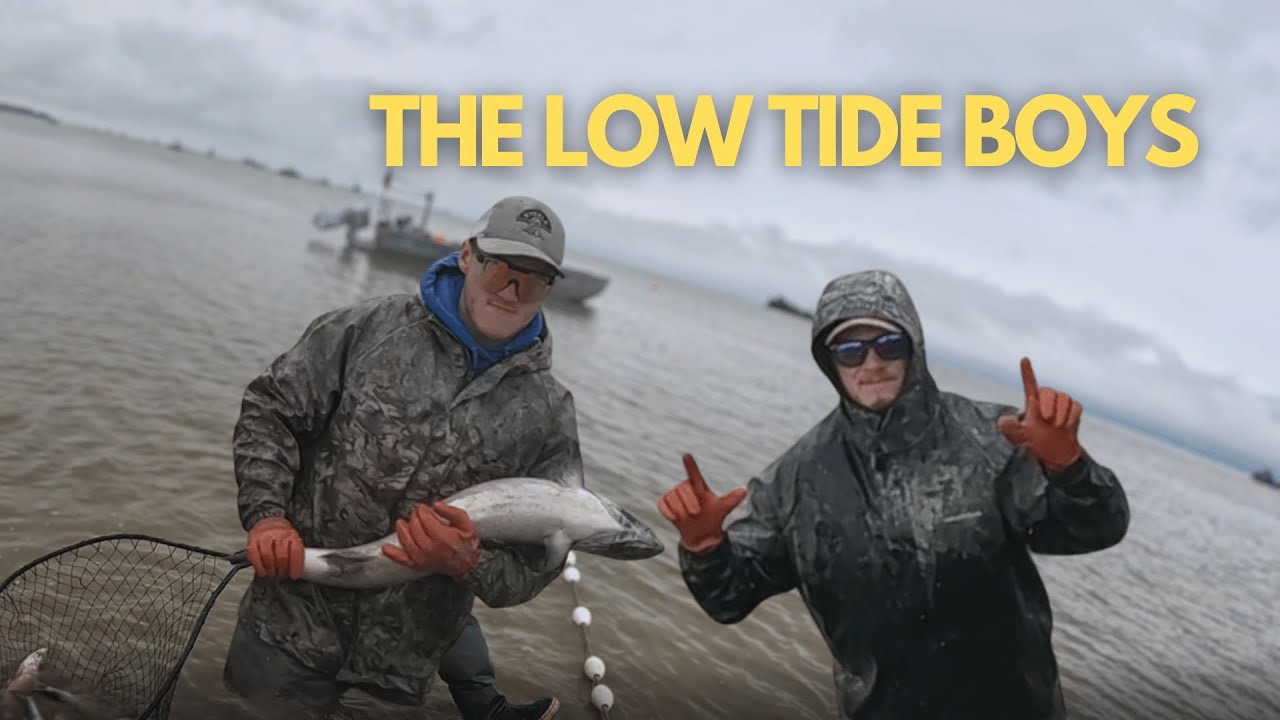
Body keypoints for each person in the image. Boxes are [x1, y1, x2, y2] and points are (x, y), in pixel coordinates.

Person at [658, 269, 1130, 720]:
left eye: (888, 343)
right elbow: (730, 598)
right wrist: (704, 548)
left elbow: (1097, 528)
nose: (872, 363)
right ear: (829, 362)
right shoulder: (795, 481)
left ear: (914, 347)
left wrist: (1069, 468)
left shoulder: (995, 438)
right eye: (849, 350)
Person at [222, 196, 582, 720]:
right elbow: (269, 411)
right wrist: (266, 515)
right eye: (500, 269)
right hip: (285, 630)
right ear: (466, 257)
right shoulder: (368, 329)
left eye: (532, 282)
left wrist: (469, 562)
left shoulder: (549, 414)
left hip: (398, 675)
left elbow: (538, 564)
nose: (511, 291)